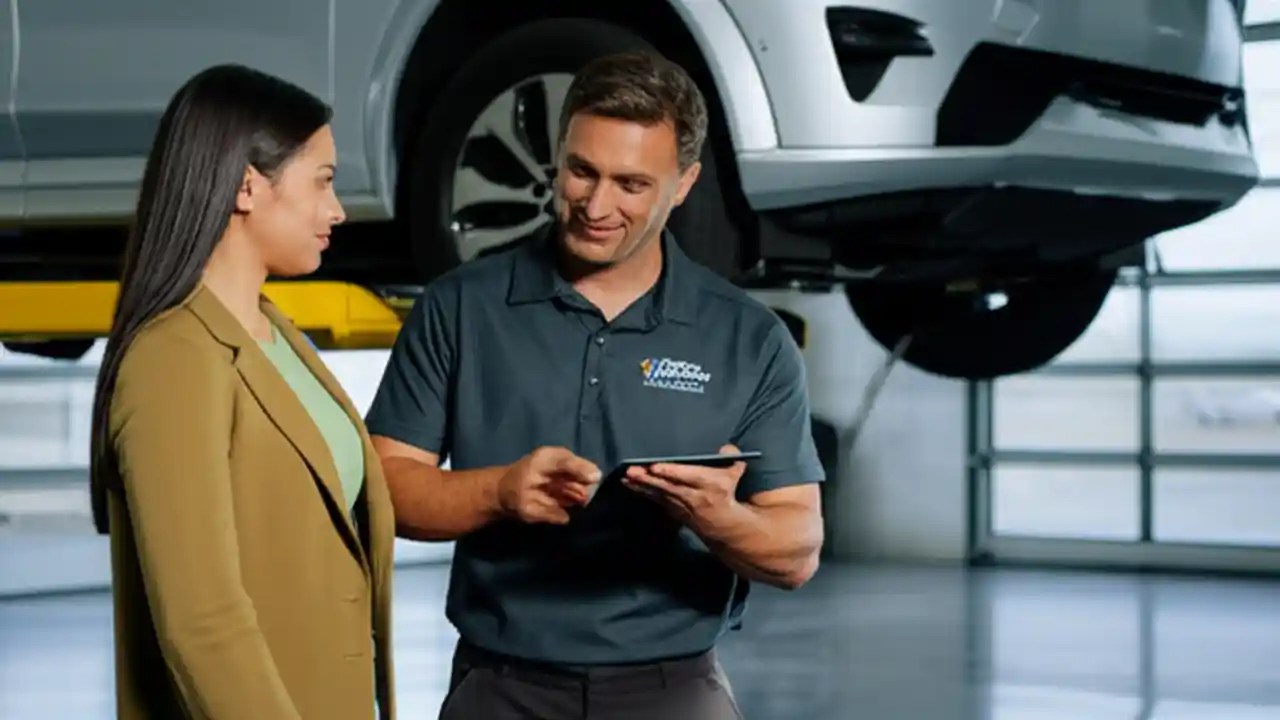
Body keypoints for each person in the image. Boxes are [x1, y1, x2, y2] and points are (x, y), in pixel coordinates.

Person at [367, 49, 825, 719]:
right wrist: (497, 492)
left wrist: (721, 519)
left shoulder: (748, 338)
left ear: (685, 183)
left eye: (632, 184)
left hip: (674, 692)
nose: (596, 204)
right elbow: (386, 487)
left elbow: (796, 550)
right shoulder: (459, 307)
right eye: (581, 171)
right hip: (499, 688)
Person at [88, 64, 396, 720]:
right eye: (323, 181)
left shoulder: (275, 334)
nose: (337, 209)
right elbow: (202, 623)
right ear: (250, 187)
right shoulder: (173, 357)